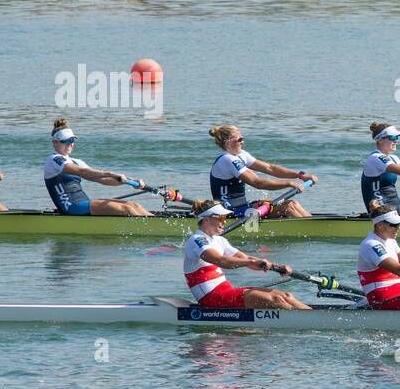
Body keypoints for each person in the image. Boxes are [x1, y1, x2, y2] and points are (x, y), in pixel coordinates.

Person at [182, 204, 311, 309]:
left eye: (225, 218)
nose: (224, 221)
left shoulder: (219, 240)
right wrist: (252, 262)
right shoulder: (197, 240)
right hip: (212, 299)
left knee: (286, 296)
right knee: (276, 300)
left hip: (226, 292)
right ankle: (306, 324)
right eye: (220, 218)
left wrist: (277, 266)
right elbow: (221, 261)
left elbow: (247, 259)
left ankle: (313, 318)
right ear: (206, 219)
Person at [43, 119, 152, 216]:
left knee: (134, 205)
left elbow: (104, 179)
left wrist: (130, 181)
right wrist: (110, 173)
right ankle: (151, 230)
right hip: (71, 207)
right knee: (126, 209)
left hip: (83, 203)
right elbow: (82, 172)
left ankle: (158, 224)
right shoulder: (53, 160)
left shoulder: (76, 161)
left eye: (71, 140)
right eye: (65, 141)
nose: (70, 144)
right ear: (55, 142)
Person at [208, 124, 313, 218]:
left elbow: (270, 168)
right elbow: (257, 183)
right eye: (239, 139)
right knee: (288, 207)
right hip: (228, 211)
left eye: (242, 139)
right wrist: (288, 183)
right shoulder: (228, 159)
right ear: (228, 142)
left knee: (293, 203)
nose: (242, 142)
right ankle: (312, 231)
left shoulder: (241, 155)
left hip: (242, 206)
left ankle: (313, 224)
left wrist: (300, 176)